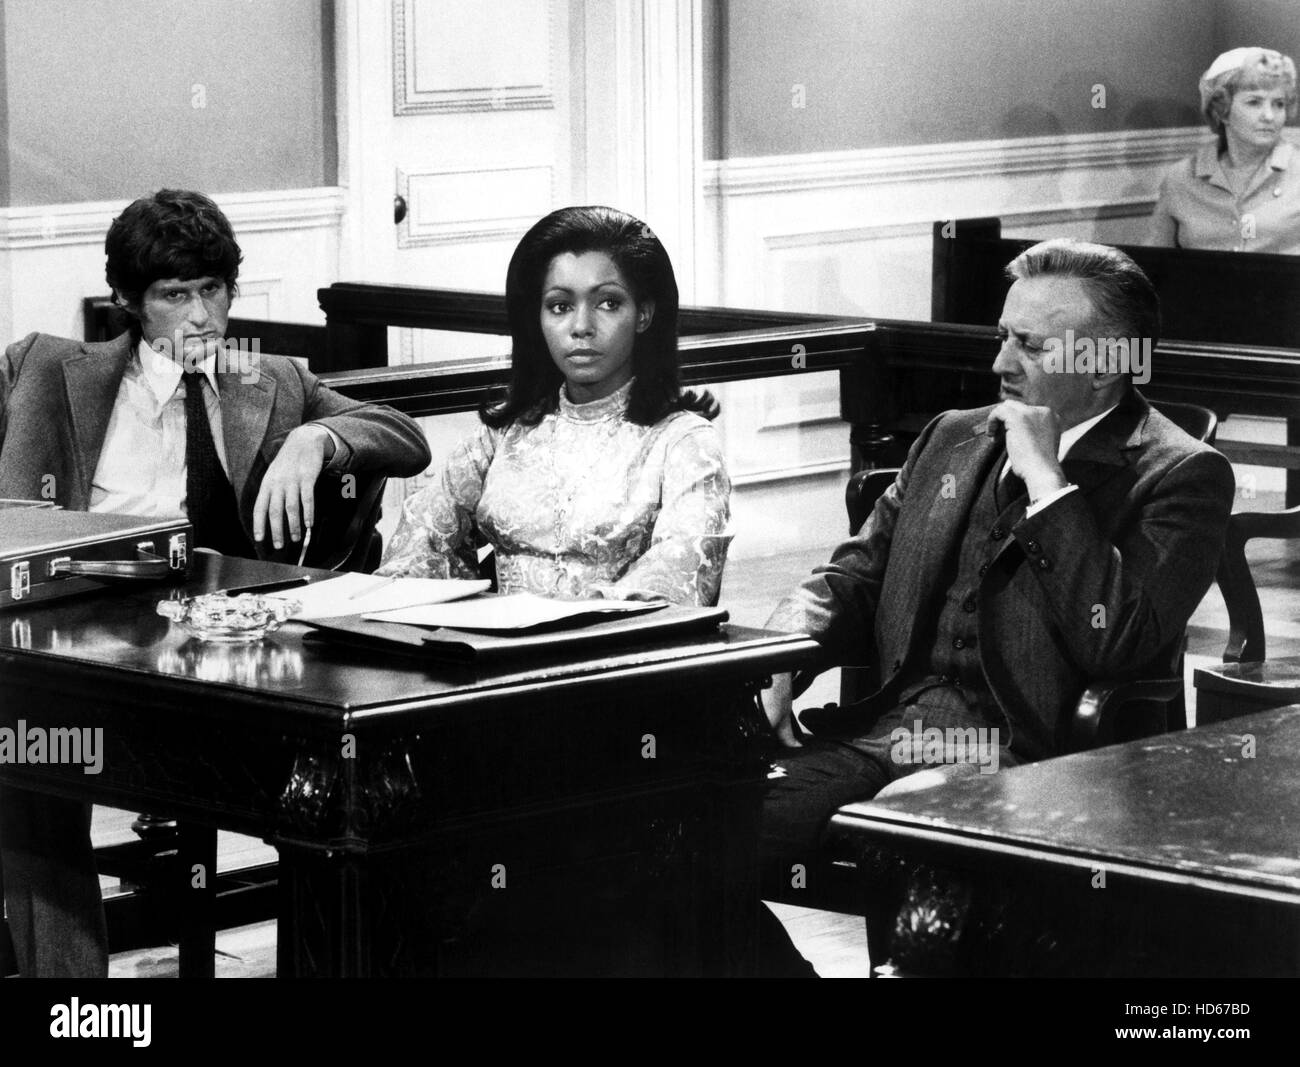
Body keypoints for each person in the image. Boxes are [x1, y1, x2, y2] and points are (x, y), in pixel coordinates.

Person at [760, 239, 1235, 975]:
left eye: (1031, 345)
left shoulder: (1182, 474)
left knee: (912, 821)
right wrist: (783, 652)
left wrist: (1050, 487)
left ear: (1106, 364)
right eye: (1002, 337)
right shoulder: (953, 434)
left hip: (1034, 756)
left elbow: (1121, 641)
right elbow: (853, 576)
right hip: (883, 733)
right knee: (687, 830)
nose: (1000, 364)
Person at [0, 189, 431, 978]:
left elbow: (404, 434)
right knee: (26, 771)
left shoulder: (266, 378)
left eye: (213, 291)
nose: (199, 318)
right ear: (129, 301)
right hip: (71, 640)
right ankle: (77, 1012)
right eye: (174, 295)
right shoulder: (48, 368)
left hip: (219, 659)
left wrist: (317, 439)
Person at [378, 205, 731, 606]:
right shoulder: (504, 432)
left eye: (608, 303)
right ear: (538, 317)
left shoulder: (684, 443)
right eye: (560, 306)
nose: (581, 326)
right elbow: (420, 538)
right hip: (495, 654)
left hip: (619, 655)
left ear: (644, 314)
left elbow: (675, 581)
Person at [1149, 47, 1300, 252]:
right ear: (1222, 110)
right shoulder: (1181, 178)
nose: (1269, 116)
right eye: (1254, 102)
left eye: (1279, 104)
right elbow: (1155, 267)